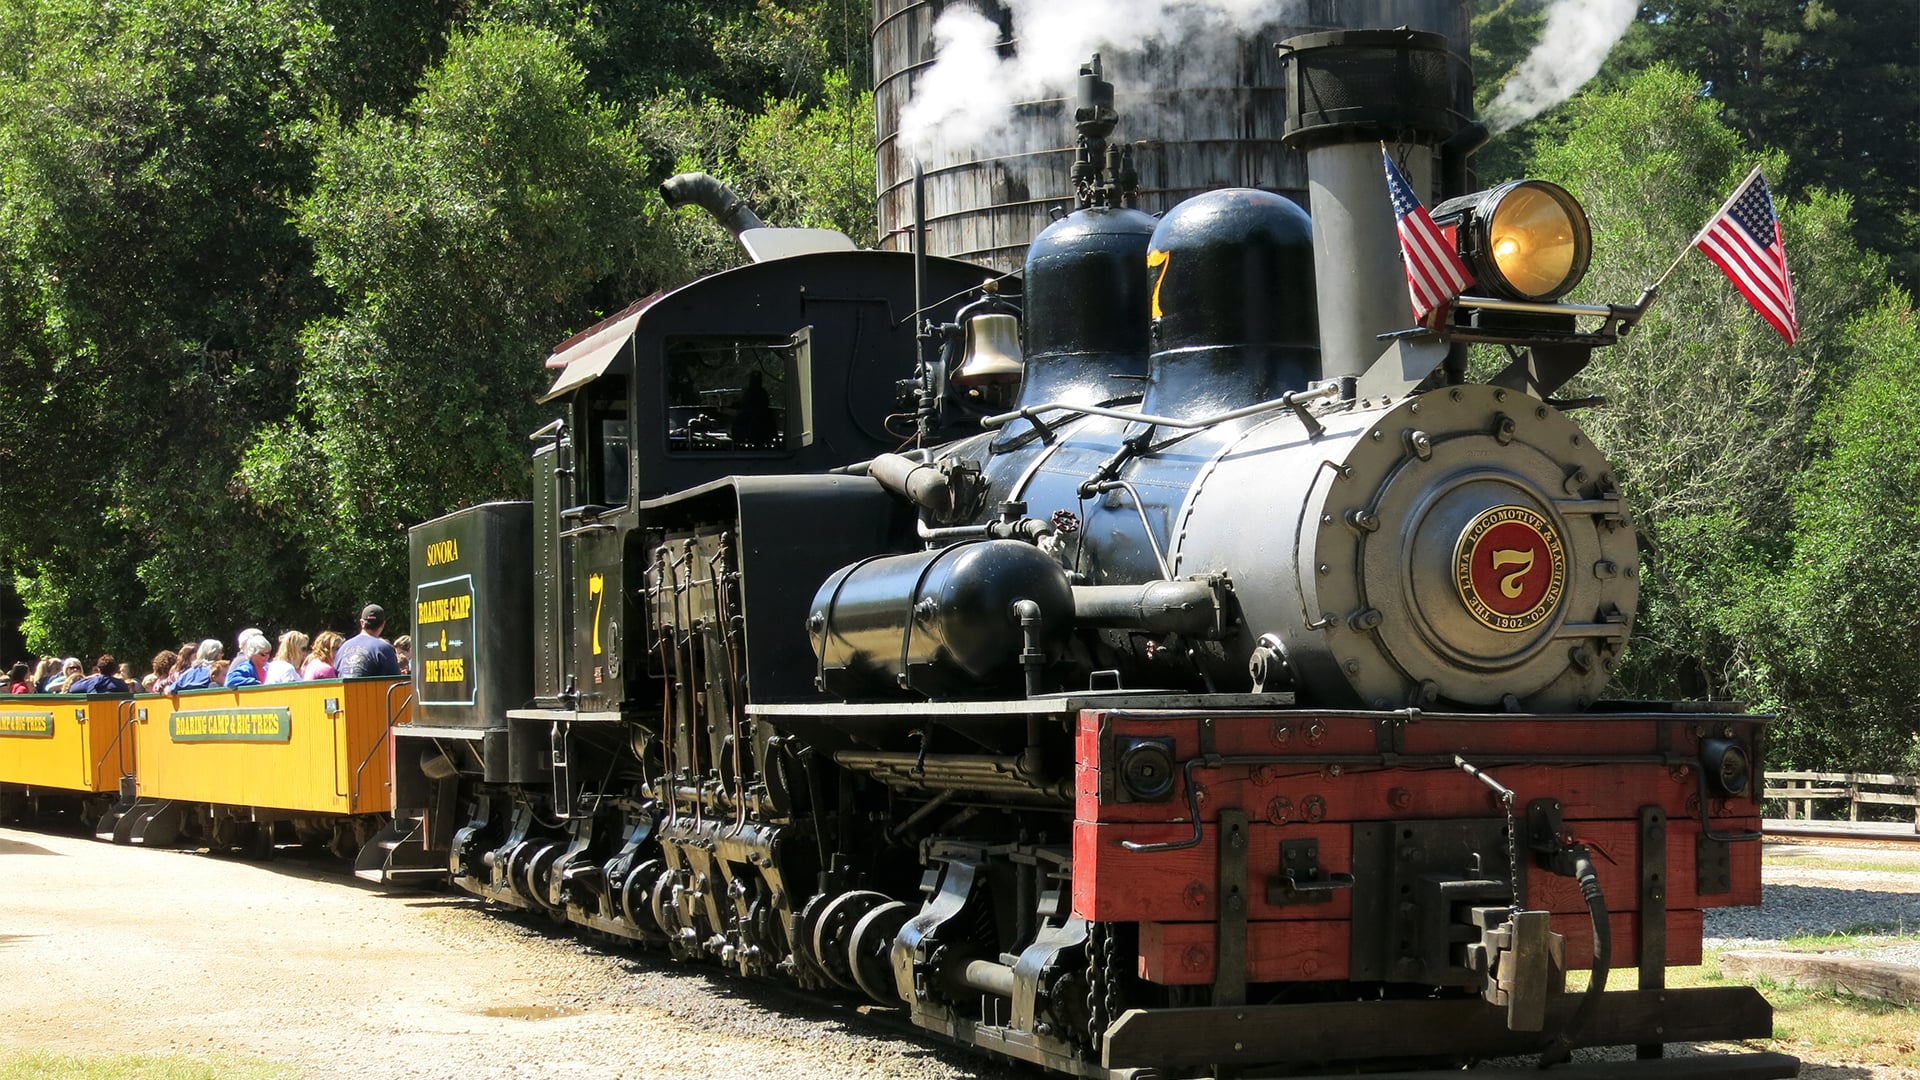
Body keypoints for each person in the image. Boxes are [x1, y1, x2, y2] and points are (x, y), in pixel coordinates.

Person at [334, 604, 400, 678]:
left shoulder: (343, 647)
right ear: (383, 624)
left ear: (362, 623)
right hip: (372, 689)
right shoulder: (384, 648)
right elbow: (395, 682)